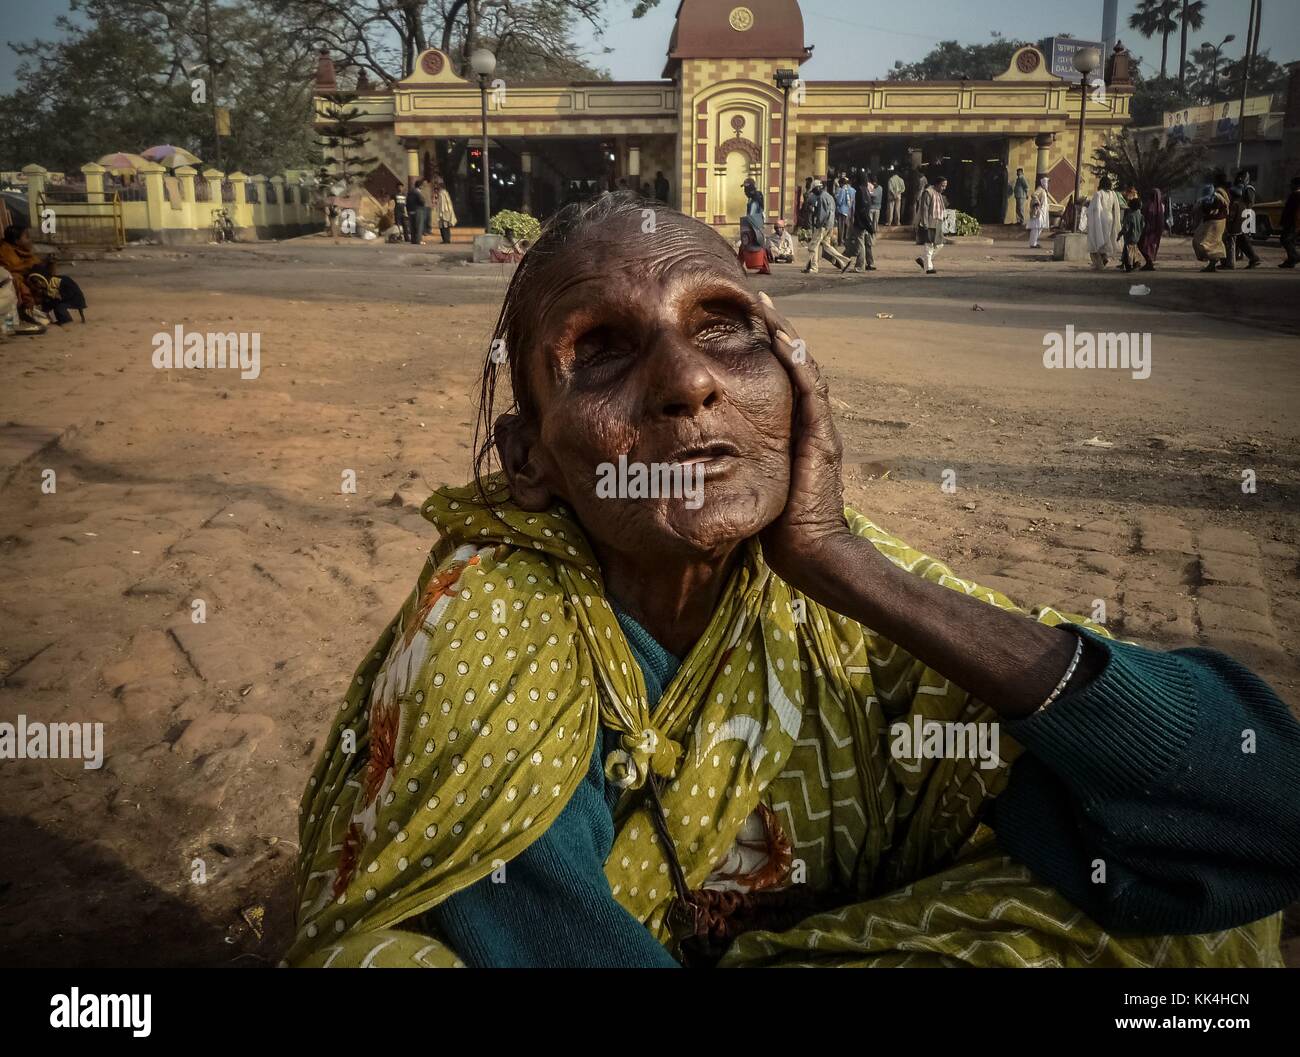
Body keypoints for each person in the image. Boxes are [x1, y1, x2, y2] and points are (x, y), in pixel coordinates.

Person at [287, 190, 1300, 970]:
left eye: (723, 325)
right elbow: (530, 926)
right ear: (529, 458)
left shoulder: (848, 598)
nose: (688, 382)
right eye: (598, 352)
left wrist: (844, 563)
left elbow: (1260, 815)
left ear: (796, 377)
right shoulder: (490, 624)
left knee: (1190, 940)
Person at [0, 224, 87, 324]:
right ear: (16, 241)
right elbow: (13, 271)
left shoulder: (23, 254)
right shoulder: (6, 253)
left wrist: (50, 264)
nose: (30, 240)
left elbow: (40, 271)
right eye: (27, 237)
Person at [802, 179, 850, 273]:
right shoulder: (829, 196)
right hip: (830, 224)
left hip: (823, 225)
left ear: (818, 188)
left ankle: (813, 267)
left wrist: (817, 224)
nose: (814, 193)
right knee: (827, 246)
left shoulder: (821, 198)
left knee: (813, 246)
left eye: (814, 190)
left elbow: (822, 214)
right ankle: (844, 261)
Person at [1192, 172, 1230, 273]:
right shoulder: (1220, 192)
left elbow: (1214, 208)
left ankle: (1213, 263)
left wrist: (1203, 207)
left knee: (1204, 242)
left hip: (1215, 222)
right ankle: (1212, 264)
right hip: (1217, 221)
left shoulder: (1217, 193)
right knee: (1210, 242)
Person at [1085, 176, 1123, 270]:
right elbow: (1116, 208)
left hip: (1100, 218)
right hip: (1110, 218)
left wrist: (1088, 210)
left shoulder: (1099, 194)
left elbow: (1096, 208)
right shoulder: (1113, 194)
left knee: (1097, 238)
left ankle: (1099, 263)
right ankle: (1104, 257)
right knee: (1106, 239)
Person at [843, 174, 876, 273]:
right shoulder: (866, 191)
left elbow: (860, 210)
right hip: (863, 221)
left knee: (860, 243)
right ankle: (845, 259)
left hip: (860, 222)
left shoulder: (860, 191)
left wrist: (859, 221)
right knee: (857, 242)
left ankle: (859, 265)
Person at [914, 175, 947, 274]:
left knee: (940, 244)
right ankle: (928, 267)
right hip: (930, 222)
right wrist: (925, 223)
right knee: (929, 245)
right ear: (937, 184)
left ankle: (924, 260)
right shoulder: (928, 192)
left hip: (938, 222)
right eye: (942, 185)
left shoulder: (939, 194)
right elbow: (924, 209)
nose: (944, 188)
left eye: (945, 186)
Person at [737, 178, 770, 275]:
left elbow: (751, 215)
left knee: (745, 245)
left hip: (753, 226)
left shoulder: (754, 200)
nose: (744, 192)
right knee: (759, 245)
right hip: (756, 226)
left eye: (745, 189)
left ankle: (738, 266)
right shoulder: (755, 197)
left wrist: (748, 225)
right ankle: (765, 268)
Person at [1223, 185, 1260, 270]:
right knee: (1244, 245)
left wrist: (1227, 225)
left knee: (1231, 246)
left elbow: (1231, 218)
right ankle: (1254, 258)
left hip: (1235, 229)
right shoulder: (1242, 204)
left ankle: (1230, 264)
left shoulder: (1234, 204)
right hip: (1241, 228)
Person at [1138, 186, 1164, 270]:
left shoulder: (1150, 205)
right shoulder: (1160, 207)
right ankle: (1149, 262)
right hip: (1155, 230)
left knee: (1142, 245)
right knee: (1148, 246)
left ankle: (1149, 262)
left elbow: (1145, 217)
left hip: (1148, 230)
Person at [1119, 197, 1146, 272]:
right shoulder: (1141, 216)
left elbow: (1125, 228)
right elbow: (1143, 225)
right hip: (1137, 237)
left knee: (1127, 252)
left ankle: (1129, 266)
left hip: (1129, 237)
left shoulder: (1130, 216)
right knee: (1134, 250)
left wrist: (1119, 234)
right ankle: (1135, 263)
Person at [1279, 175, 1300, 268]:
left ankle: (1294, 257)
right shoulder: (1295, 195)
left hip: (1292, 223)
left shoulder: (1296, 195)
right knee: (1290, 240)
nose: (1290, 186)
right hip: (1293, 222)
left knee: (1285, 239)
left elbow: (1291, 211)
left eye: (1292, 184)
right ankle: (1292, 260)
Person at [1027, 176, 1050, 249]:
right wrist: (1038, 202)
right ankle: (1033, 243)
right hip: (1039, 211)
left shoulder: (1044, 190)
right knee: (1036, 227)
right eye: (1047, 182)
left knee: (1040, 227)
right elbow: (1033, 194)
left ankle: (1034, 242)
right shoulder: (1040, 189)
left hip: (1043, 211)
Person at [434, 178, 458, 245]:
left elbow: (442, 204)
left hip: (444, 212)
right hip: (447, 211)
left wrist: (441, 213)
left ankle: (445, 239)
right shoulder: (445, 192)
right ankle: (447, 239)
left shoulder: (442, 193)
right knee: (446, 227)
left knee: (444, 227)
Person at [833, 176, 855, 248]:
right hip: (849, 210)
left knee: (841, 227)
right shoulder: (853, 190)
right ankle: (847, 240)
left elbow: (839, 201)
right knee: (848, 226)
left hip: (842, 210)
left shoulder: (842, 190)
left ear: (842, 183)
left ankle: (841, 241)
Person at [405, 179, 427, 245]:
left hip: (410, 211)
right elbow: (422, 201)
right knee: (418, 226)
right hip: (418, 210)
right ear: (420, 186)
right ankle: (418, 240)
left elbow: (407, 202)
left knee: (412, 226)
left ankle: (413, 240)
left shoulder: (410, 192)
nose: (423, 187)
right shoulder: (418, 192)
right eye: (422, 185)